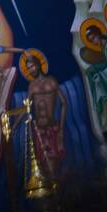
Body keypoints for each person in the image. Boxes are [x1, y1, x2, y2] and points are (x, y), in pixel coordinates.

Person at [20, 51, 66, 182]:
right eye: (28, 68)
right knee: (43, 168)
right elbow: (26, 108)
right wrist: (14, 125)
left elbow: (64, 104)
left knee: (53, 167)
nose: (31, 70)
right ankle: (52, 198)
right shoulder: (32, 86)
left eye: (32, 66)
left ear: (38, 65)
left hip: (52, 130)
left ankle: (59, 197)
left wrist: (61, 130)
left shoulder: (51, 81)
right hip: (39, 132)